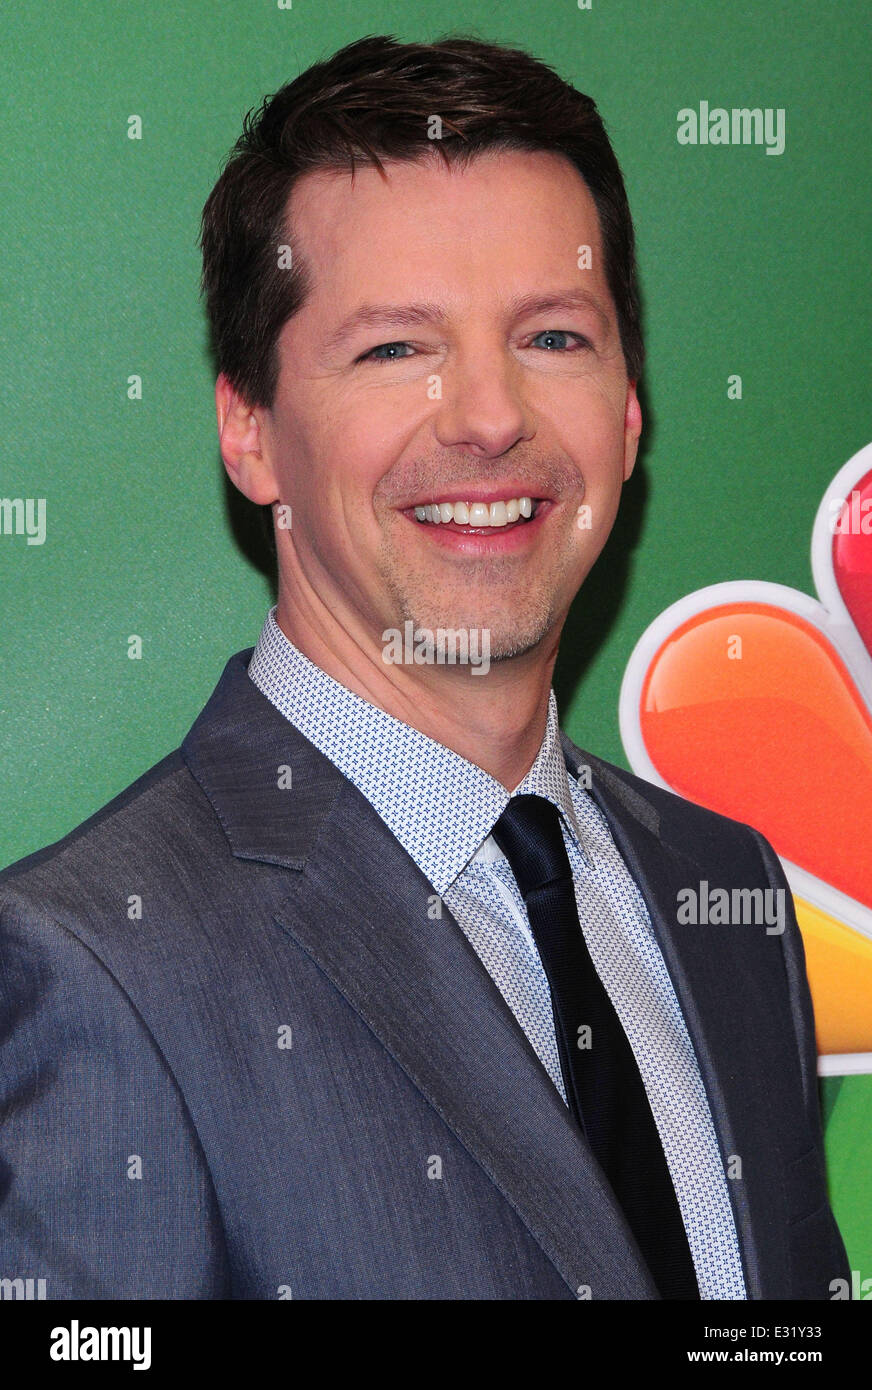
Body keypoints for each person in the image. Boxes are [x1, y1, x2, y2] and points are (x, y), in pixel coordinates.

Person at [0, 33, 848, 1300]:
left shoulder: (722, 894)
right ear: (250, 431)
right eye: (395, 347)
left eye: (553, 337)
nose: (488, 415)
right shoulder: (91, 966)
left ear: (629, 408)